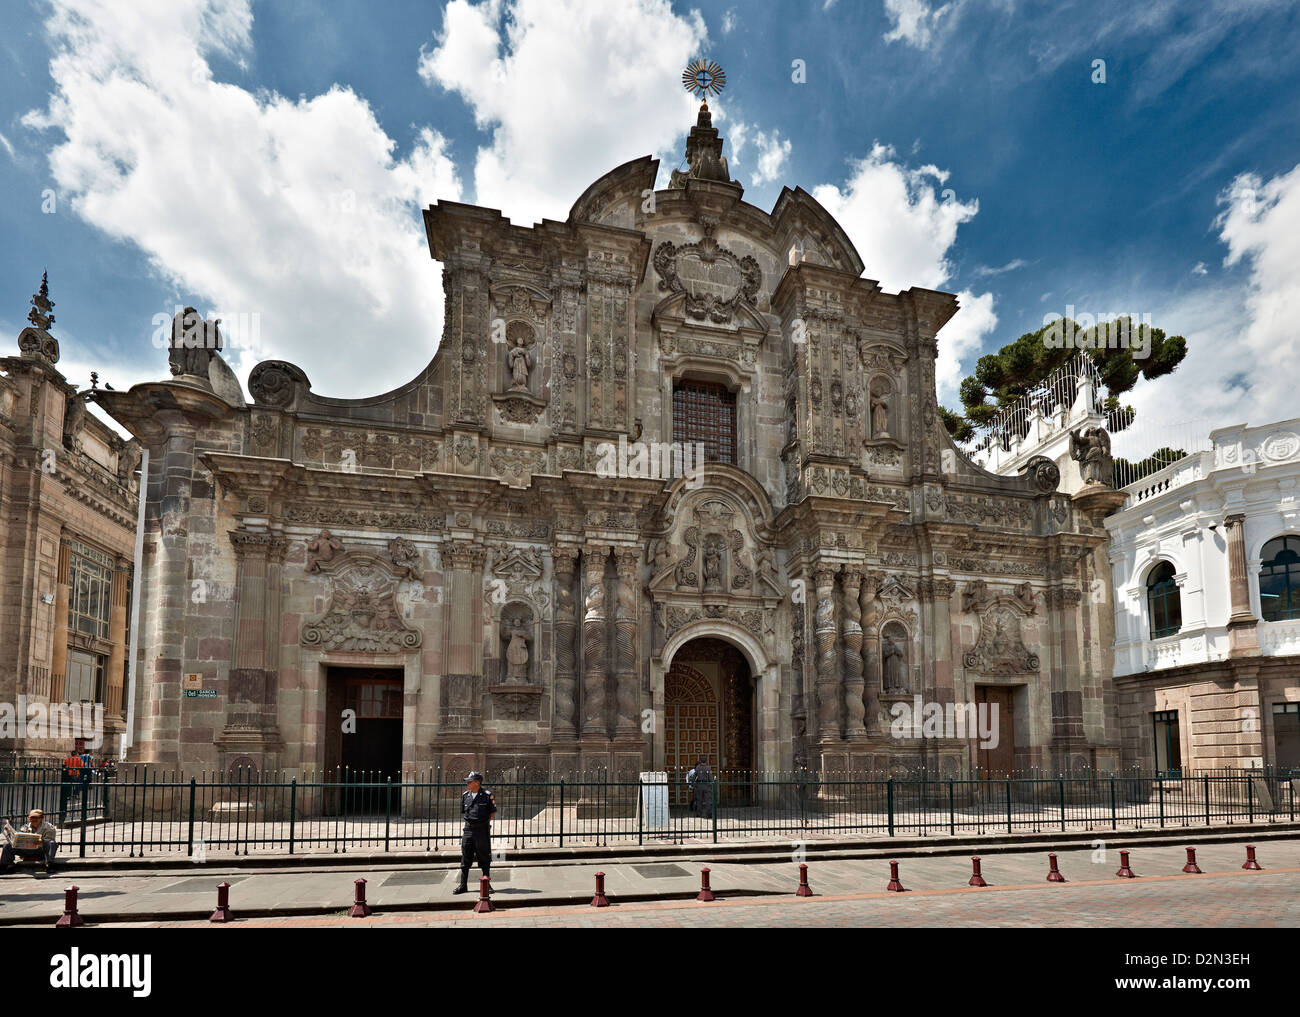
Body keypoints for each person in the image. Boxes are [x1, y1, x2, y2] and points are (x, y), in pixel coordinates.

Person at [452, 771, 496, 895]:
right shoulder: (466, 795)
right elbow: (464, 812)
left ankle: (487, 884)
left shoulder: (487, 795)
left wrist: (483, 824)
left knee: (484, 857)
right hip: (468, 830)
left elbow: (492, 813)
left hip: (481, 830)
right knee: (466, 856)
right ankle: (463, 885)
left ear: (477, 783)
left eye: (470, 781)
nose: (467, 783)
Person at [1, 809, 59, 874]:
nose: (34, 819)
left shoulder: (49, 827)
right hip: (27, 850)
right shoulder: (25, 827)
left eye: (36, 817)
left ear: (42, 818)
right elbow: (17, 839)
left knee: (52, 843)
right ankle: (7, 865)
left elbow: (50, 840)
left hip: (41, 851)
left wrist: (42, 841)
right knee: (7, 844)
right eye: (32, 817)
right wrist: (9, 831)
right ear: (28, 818)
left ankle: (49, 865)